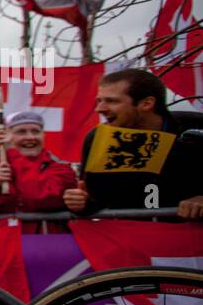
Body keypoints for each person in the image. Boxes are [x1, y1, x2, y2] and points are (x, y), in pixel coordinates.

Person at [62, 68, 203, 219]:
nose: (99, 109)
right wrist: (80, 203)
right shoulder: (97, 138)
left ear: (147, 104)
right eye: (99, 101)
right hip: (132, 237)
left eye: (111, 101)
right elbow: (99, 202)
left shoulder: (195, 128)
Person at [0, 109, 76, 218]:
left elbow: (39, 198)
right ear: (5, 136)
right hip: (2, 235)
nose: (30, 137)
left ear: (43, 135)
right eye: (21, 132)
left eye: (36, 131)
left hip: (47, 236)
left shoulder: (60, 166)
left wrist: (13, 153)